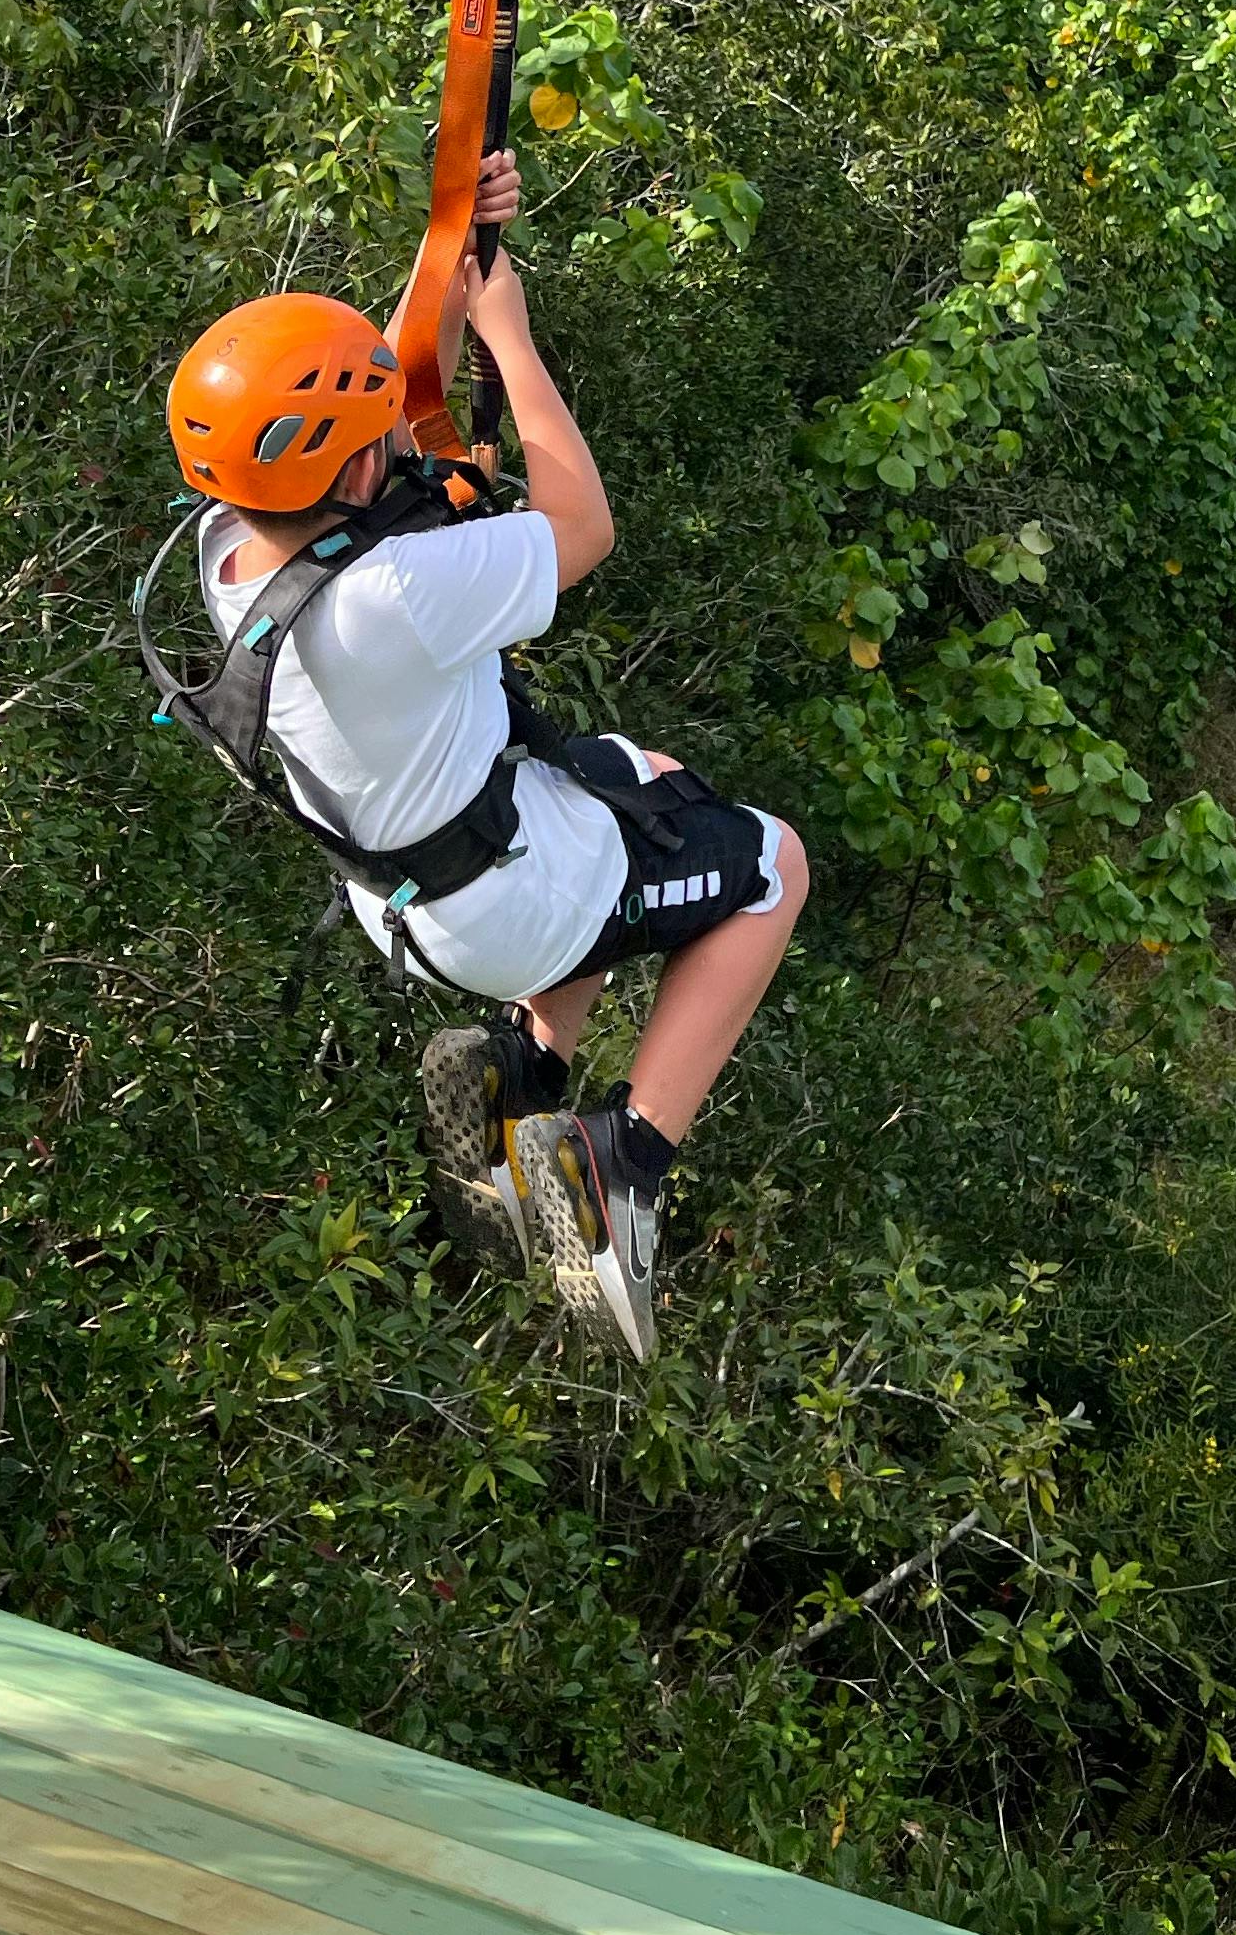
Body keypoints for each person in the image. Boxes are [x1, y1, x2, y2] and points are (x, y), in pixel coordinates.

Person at [167, 152, 808, 1362]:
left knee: (637, 775)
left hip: (404, 894)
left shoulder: (231, 551)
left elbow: (386, 409)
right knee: (770, 866)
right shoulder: (402, 594)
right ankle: (622, 1169)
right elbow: (582, 527)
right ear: (352, 462)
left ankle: (524, 1070)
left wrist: (452, 252)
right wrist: (506, 337)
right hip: (505, 909)